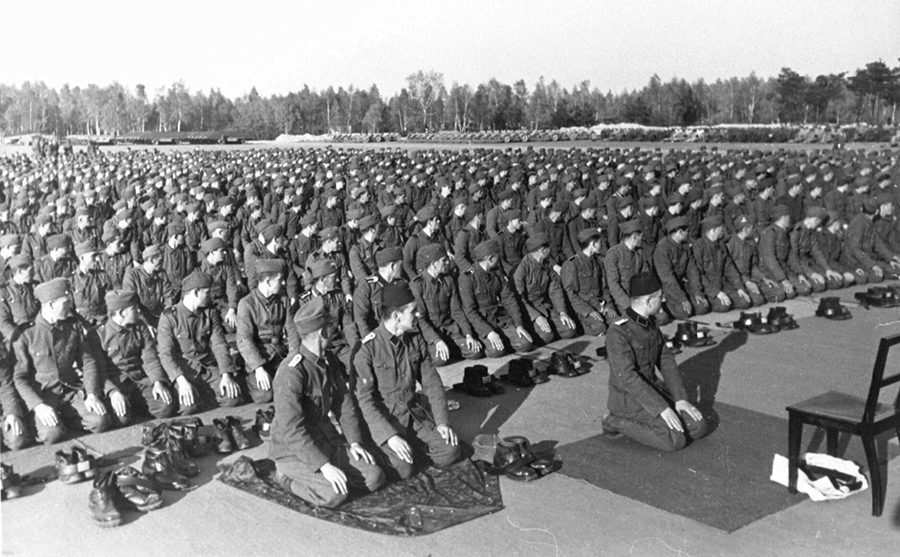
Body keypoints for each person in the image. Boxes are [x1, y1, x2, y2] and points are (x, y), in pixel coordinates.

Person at [270, 297, 385, 507]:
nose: (335, 330)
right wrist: (323, 465)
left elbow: (344, 403)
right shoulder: (292, 372)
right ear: (323, 332)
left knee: (374, 476)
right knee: (335, 495)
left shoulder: (328, 359)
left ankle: (328, 474)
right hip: (292, 452)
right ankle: (286, 478)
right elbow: (291, 429)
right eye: (331, 326)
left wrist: (355, 442)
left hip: (324, 440)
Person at [354, 282, 461, 481]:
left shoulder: (415, 340)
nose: (418, 315)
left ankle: (411, 450)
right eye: (413, 311)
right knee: (403, 469)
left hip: (413, 416)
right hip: (386, 421)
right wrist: (389, 436)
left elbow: (432, 384)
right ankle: (386, 450)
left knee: (450, 451)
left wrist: (442, 422)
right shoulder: (367, 349)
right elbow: (365, 402)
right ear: (396, 316)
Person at [602, 272, 709, 451]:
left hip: (652, 390)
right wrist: (661, 408)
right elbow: (627, 377)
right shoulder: (618, 332)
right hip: (629, 400)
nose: (664, 299)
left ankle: (658, 418)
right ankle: (613, 421)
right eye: (660, 296)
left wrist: (680, 399)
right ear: (649, 301)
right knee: (675, 440)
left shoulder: (650, 322)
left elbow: (665, 360)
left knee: (698, 426)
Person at [13, 278, 112, 444]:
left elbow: (87, 362)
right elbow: (19, 378)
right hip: (43, 396)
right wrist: (38, 406)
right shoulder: (26, 334)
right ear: (51, 305)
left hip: (70, 392)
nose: (71, 306)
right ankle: (50, 424)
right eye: (66, 302)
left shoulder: (73, 326)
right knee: (52, 435)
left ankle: (66, 420)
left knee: (101, 421)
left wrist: (92, 394)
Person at [157, 271, 244, 415]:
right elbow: (166, 354)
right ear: (196, 292)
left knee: (232, 398)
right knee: (189, 408)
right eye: (207, 292)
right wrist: (181, 381)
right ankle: (199, 395)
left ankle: (203, 394)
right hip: (185, 371)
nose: (210, 296)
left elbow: (219, 344)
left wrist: (226, 374)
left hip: (207, 367)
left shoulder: (210, 313)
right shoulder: (170, 317)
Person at [95, 290, 176, 423]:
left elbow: (150, 358)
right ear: (121, 313)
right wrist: (112, 392)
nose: (138, 311)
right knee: (123, 419)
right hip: (117, 384)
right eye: (134, 308)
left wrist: (157, 382)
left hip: (138, 381)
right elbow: (100, 371)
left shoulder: (140, 328)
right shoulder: (98, 334)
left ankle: (134, 406)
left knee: (165, 407)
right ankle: (129, 408)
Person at [459, 240, 534, 358]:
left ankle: (505, 340)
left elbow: (508, 299)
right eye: (497, 255)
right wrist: (488, 332)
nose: (500, 258)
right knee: (496, 351)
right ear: (490, 258)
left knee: (526, 343)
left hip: (499, 319)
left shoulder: (497, 271)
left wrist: (518, 324)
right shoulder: (468, 277)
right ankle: (490, 342)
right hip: (481, 323)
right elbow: (470, 311)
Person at [410, 243, 482, 365]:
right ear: (434, 264)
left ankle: (450, 348)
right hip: (431, 333)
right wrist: (436, 340)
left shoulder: (448, 280)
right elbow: (420, 319)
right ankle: (438, 349)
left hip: (449, 330)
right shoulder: (418, 285)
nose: (448, 262)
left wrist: (468, 334)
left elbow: (457, 311)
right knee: (441, 360)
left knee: (476, 351)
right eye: (444, 260)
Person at [236, 259, 296, 405]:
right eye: (280, 280)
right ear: (268, 282)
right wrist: (258, 368)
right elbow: (244, 339)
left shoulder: (283, 300)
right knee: (264, 396)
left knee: (295, 386)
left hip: (279, 354)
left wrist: (294, 356)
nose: (283, 283)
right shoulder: (247, 303)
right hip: (258, 354)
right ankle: (246, 380)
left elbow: (292, 330)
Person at [513, 232, 577, 344]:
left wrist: (562, 312)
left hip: (545, 307)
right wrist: (536, 317)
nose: (550, 250)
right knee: (546, 337)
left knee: (569, 330)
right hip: (529, 310)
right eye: (548, 247)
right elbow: (519, 298)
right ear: (542, 250)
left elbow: (555, 290)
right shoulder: (521, 269)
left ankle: (550, 327)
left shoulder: (546, 265)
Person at [561, 228, 612, 336]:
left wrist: (609, 305)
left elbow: (604, 287)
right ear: (593, 244)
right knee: (600, 328)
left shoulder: (598, 262)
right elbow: (570, 294)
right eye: (599, 243)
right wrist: (588, 311)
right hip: (583, 308)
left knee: (617, 323)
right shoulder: (572, 264)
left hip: (599, 304)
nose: (601, 246)